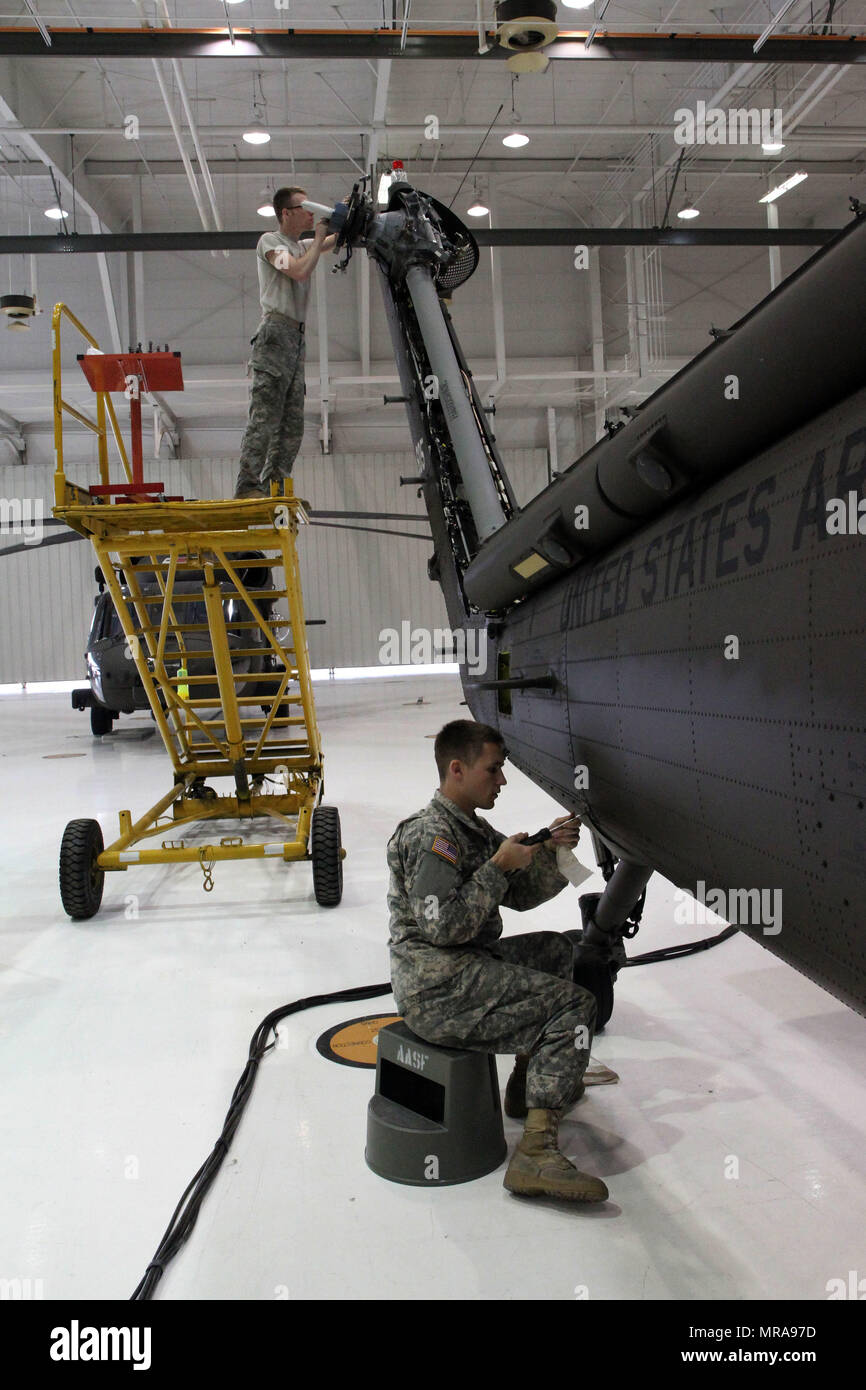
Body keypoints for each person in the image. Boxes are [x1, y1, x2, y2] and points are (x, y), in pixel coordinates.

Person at [386, 719, 608, 1204]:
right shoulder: (433, 837)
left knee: (555, 951)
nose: (502, 781)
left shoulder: (473, 830)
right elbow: (443, 928)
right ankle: (535, 1152)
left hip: (464, 964)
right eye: (494, 770)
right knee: (574, 1006)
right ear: (457, 769)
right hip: (435, 989)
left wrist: (549, 853)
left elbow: (520, 898)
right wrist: (498, 867)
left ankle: (526, 1086)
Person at [234, 186, 337, 500]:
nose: (310, 213)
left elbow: (338, 241)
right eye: (304, 207)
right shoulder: (271, 242)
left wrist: (348, 220)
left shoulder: (300, 245)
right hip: (275, 335)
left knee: (291, 425)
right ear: (285, 213)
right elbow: (298, 272)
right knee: (264, 417)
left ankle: (275, 487)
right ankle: (248, 486)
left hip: (295, 339)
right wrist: (319, 239)